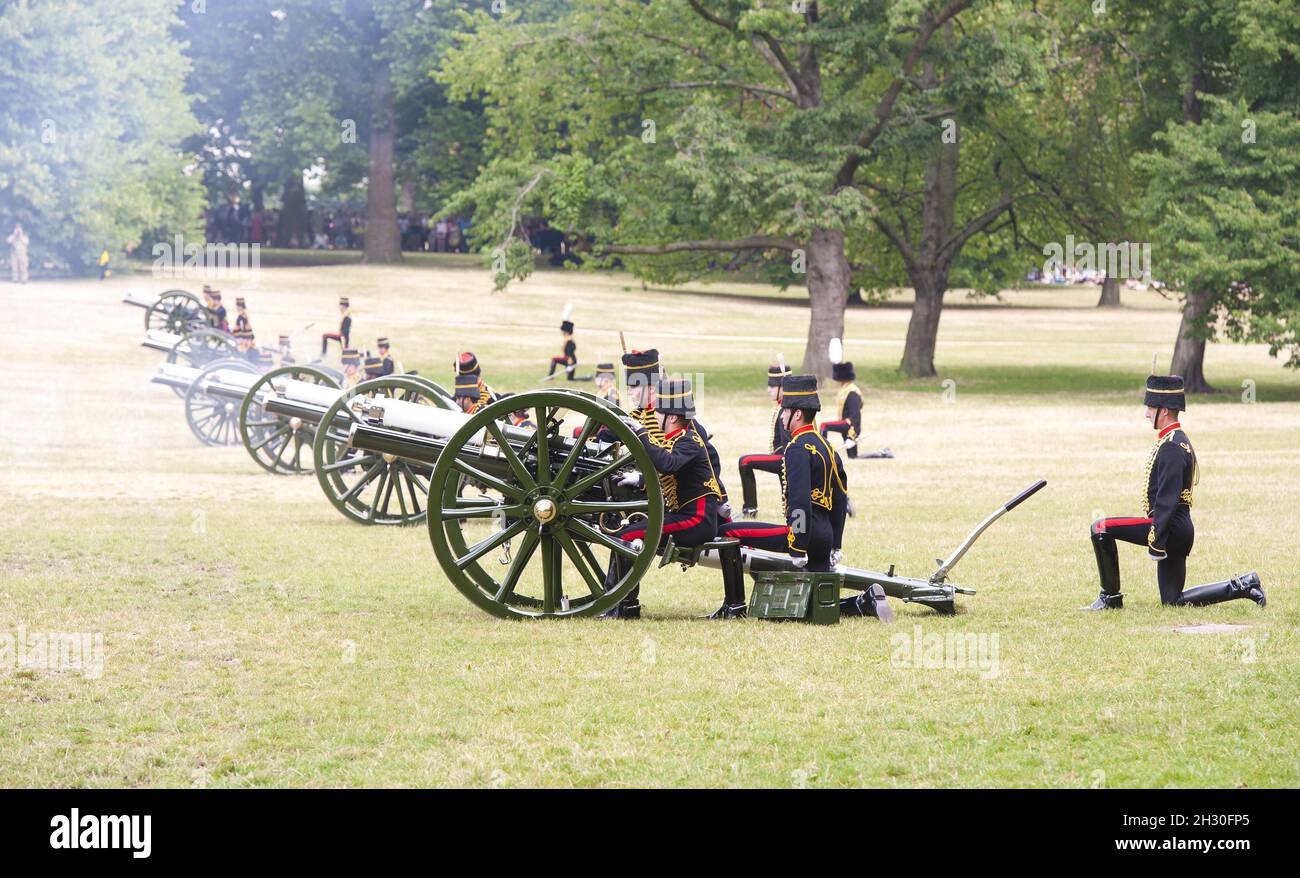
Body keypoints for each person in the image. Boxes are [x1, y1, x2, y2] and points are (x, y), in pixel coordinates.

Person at [1082, 374, 1265, 610]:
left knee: (1100, 528)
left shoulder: (1170, 446)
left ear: (1164, 410)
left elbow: (1167, 500)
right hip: (1178, 528)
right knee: (1173, 601)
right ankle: (1243, 585)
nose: (1146, 413)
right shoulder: (1177, 440)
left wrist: (1157, 542)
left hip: (1169, 526)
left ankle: (1110, 598)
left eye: (1150, 407)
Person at [718, 374, 891, 620]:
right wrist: (835, 543)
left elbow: (799, 501)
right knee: (815, 600)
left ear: (797, 414)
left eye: (785, 411)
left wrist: (797, 544)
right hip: (824, 536)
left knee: (730, 532)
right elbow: (841, 498)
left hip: (803, 535)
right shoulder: (826, 447)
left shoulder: (797, 448)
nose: (781, 416)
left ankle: (733, 606)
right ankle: (862, 604)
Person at [603, 376, 725, 619]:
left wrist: (642, 434)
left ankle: (624, 606)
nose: (654, 416)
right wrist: (638, 480)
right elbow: (669, 473)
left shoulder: (689, 440)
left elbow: (668, 464)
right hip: (686, 515)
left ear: (672, 417)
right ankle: (615, 601)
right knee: (628, 534)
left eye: (658, 412)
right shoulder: (677, 439)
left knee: (627, 536)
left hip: (696, 520)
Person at [737, 363, 791, 519]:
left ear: (782, 387)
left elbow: (788, 444)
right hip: (781, 457)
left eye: (773, 386)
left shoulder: (786, 409)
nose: (769, 389)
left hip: (784, 459)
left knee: (745, 461)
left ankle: (750, 509)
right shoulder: (782, 406)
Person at [545, 313, 578, 380]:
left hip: (570, 360)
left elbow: (570, 354)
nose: (561, 332)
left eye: (563, 331)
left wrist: (570, 365)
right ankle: (550, 376)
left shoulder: (569, 340)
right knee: (570, 378)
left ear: (566, 331)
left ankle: (550, 376)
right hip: (568, 359)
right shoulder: (567, 338)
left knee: (554, 359)